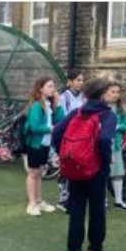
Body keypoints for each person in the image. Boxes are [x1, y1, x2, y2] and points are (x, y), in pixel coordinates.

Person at [51, 77, 118, 251]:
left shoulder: (77, 112)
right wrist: (106, 159)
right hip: (97, 168)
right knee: (97, 209)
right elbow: (105, 140)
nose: (115, 95)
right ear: (103, 93)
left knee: (77, 207)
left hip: (75, 166)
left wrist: (63, 154)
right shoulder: (108, 115)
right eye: (112, 91)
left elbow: (57, 132)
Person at [23, 75, 61, 216]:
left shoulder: (48, 104)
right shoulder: (37, 106)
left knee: (39, 172)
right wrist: (50, 129)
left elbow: (60, 120)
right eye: (50, 86)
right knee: (33, 173)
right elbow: (34, 127)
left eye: (53, 86)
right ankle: (32, 203)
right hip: (35, 144)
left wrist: (58, 104)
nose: (53, 89)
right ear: (41, 88)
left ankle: (38, 200)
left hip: (44, 144)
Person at [56, 69, 85, 213]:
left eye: (82, 80)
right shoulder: (64, 98)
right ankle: (62, 199)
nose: (80, 83)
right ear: (69, 82)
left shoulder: (84, 98)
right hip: (68, 138)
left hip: (81, 138)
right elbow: (62, 119)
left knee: (76, 168)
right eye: (78, 80)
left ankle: (73, 197)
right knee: (65, 168)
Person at [108, 83, 126, 212]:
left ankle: (118, 200)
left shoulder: (121, 108)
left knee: (117, 173)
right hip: (103, 144)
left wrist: (118, 127)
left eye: (118, 92)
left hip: (115, 145)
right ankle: (102, 200)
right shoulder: (102, 107)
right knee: (103, 173)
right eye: (113, 92)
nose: (116, 95)